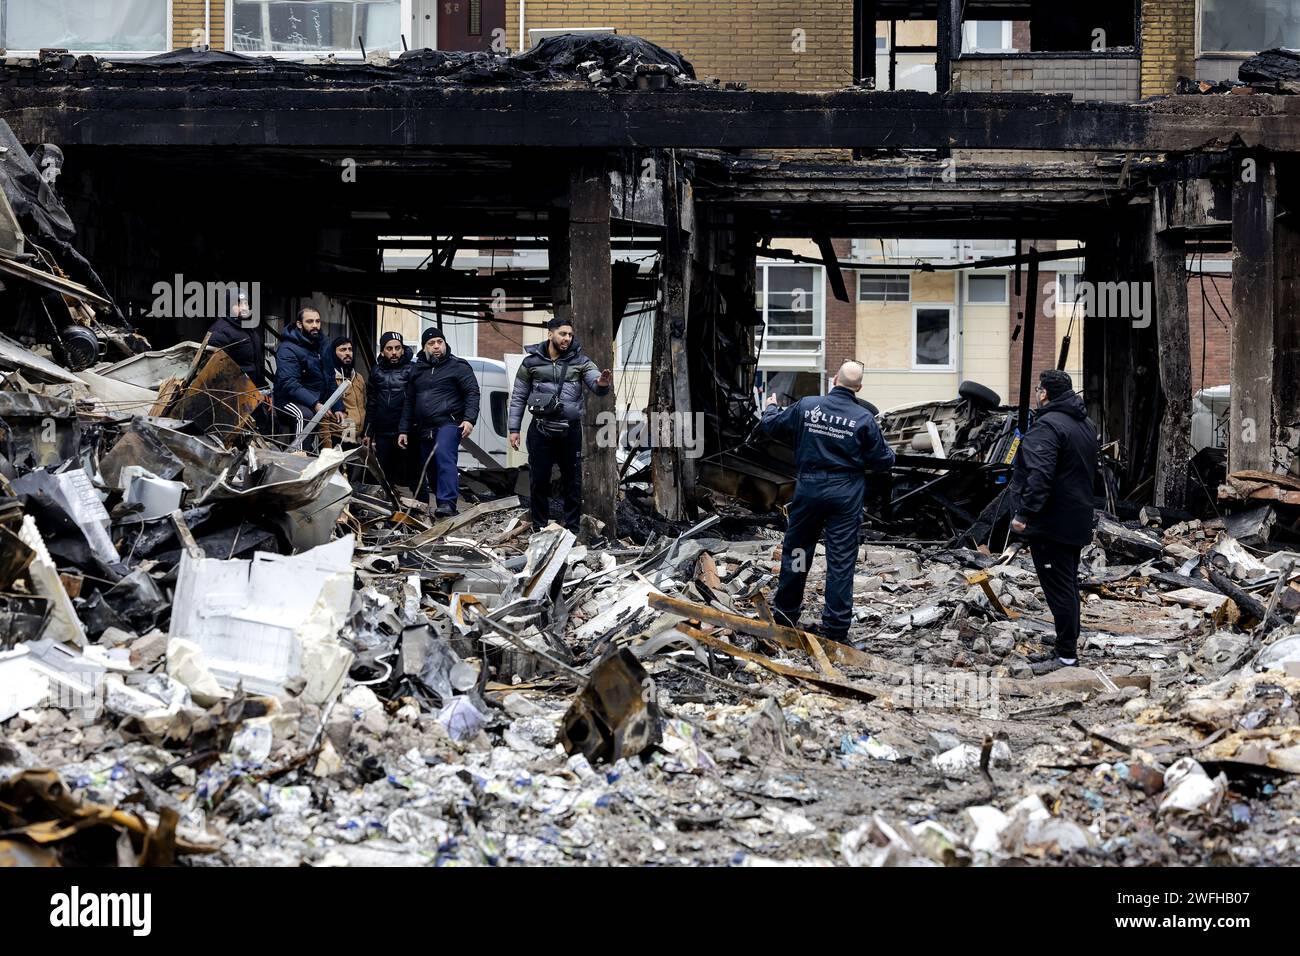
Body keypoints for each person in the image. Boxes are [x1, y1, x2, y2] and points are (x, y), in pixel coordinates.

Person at [757, 360, 895, 642]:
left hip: (809, 489)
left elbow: (771, 425)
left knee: (798, 552)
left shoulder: (808, 407)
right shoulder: (863, 419)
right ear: (859, 388)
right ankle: (835, 630)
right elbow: (883, 461)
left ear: (834, 380)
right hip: (845, 494)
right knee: (841, 561)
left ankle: (785, 615)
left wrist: (771, 405)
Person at [1009, 369, 1100, 675]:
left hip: (1052, 523)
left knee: (1059, 588)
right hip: (1075, 519)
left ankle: (1066, 657)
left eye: (1038, 389)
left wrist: (1024, 515)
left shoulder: (1047, 427)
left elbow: (1040, 476)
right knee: (1068, 585)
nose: (1036, 393)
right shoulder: (1085, 425)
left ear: (1044, 393)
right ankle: (1066, 648)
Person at [507, 317, 612, 533]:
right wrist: (514, 429)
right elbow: (518, 397)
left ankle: (572, 530)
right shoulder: (530, 362)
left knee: (572, 483)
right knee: (539, 481)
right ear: (550, 334)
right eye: (563, 334)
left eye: (570, 335)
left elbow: (596, 382)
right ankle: (539, 527)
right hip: (540, 429)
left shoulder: (580, 361)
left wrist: (601, 384)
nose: (567, 338)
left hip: (570, 430)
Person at [398, 328, 479, 517]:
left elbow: (472, 393)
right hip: (424, 428)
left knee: (444, 456)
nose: (436, 346)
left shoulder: (458, 366)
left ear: (444, 343)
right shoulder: (417, 370)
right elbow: (409, 401)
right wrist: (403, 430)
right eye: (431, 343)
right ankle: (443, 502)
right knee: (432, 469)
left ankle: (448, 503)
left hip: (450, 423)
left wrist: (469, 419)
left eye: (439, 342)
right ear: (424, 347)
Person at [273, 307, 343, 451]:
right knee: (304, 415)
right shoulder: (287, 348)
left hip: (315, 401)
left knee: (344, 424)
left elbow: (329, 378)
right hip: (288, 401)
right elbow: (289, 384)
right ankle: (299, 459)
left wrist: (338, 407)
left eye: (317, 321)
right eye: (310, 321)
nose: (315, 325)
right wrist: (315, 403)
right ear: (299, 324)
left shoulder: (322, 346)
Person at [365, 331, 414, 487]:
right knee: (383, 473)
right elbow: (371, 403)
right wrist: (368, 432)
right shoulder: (376, 371)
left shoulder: (413, 370)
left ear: (403, 349)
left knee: (409, 474)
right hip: (383, 431)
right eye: (389, 348)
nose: (394, 352)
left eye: (398, 348)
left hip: (405, 431)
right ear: (382, 351)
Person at [322, 334, 366, 449]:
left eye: (350, 349)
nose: (347, 353)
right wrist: (327, 445)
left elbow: (363, 406)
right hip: (336, 437)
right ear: (333, 353)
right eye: (342, 350)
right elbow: (323, 414)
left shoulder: (358, 378)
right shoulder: (329, 379)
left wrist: (365, 433)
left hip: (355, 437)